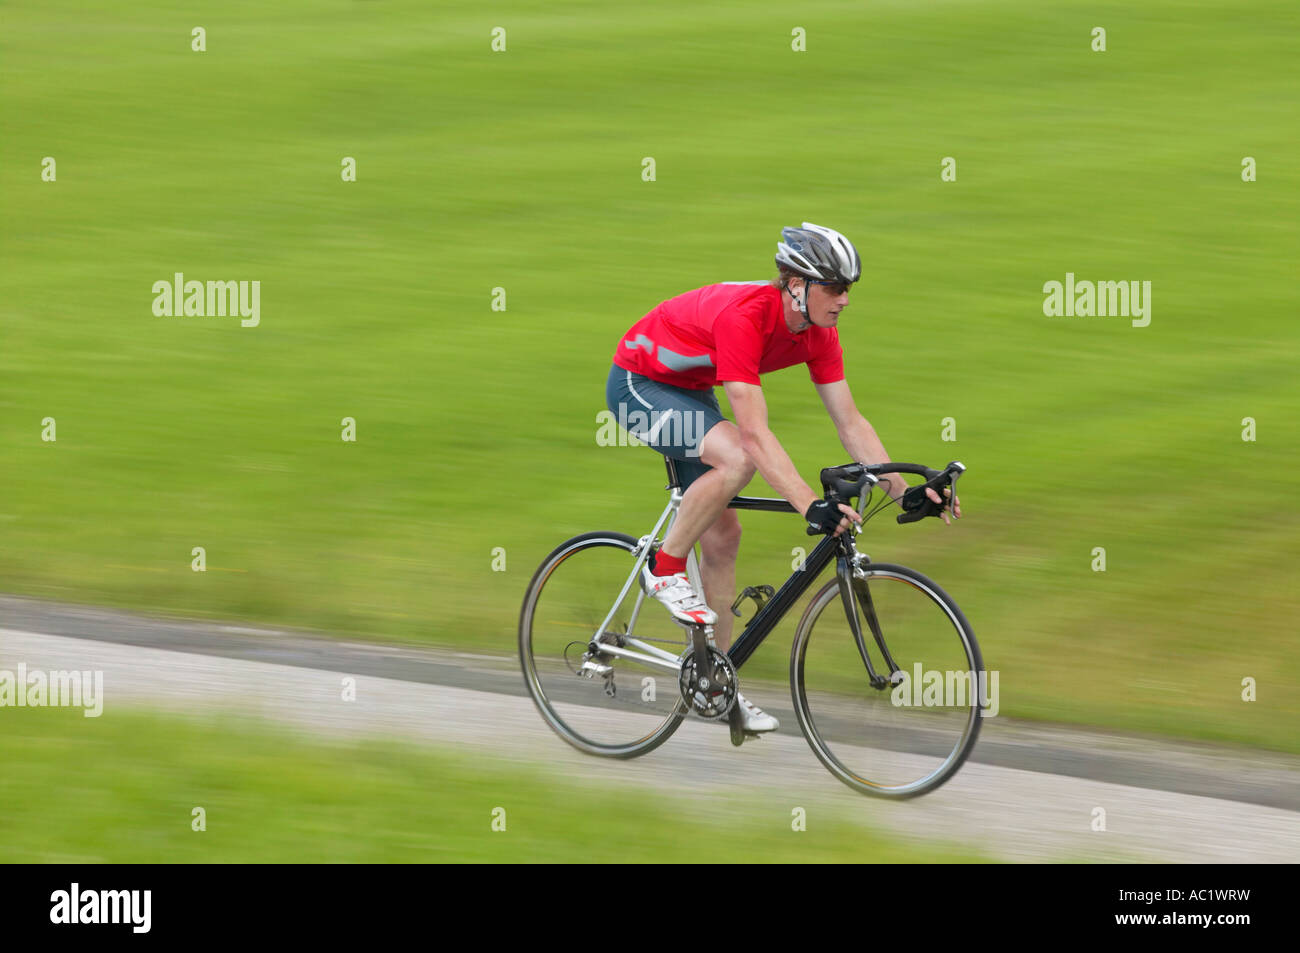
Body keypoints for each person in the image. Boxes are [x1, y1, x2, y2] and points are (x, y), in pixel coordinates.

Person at [604, 223, 958, 734]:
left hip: (690, 389)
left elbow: (850, 422)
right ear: (797, 285)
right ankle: (663, 566)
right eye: (834, 288)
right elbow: (753, 434)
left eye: (848, 290)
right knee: (738, 459)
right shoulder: (745, 318)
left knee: (725, 538)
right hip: (639, 383)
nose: (844, 301)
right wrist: (808, 503)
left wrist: (904, 492)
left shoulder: (821, 334)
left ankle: (716, 687)